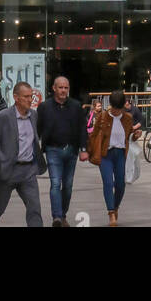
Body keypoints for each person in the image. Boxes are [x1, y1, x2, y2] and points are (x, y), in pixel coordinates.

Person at [0, 81, 47, 228]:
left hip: (28, 171)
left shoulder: (34, 115)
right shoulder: (3, 117)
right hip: (8, 171)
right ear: (16, 97)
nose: (30, 100)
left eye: (31, 96)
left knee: (34, 209)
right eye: (26, 96)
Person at [80, 88, 141, 227]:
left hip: (120, 154)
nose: (116, 112)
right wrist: (87, 151)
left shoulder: (127, 118)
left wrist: (135, 135)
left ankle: (116, 206)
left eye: (119, 109)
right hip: (105, 154)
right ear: (111, 105)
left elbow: (129, 135)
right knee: (108, 183)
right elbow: (94, 135)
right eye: (114, 109)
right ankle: (111, 212)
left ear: (123, 107)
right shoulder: (102, 117)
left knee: (120, 184)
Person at [37, 76, 88, 228]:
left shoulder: (76, 106)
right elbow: (37, 129)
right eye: (60, 87)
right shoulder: (44, 107)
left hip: (71, 150)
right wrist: (35, 150)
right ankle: (57, 217)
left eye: (66, 88)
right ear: (54, 88)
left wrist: (83, 149)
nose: (63, 90)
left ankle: (63, 214)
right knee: (55, 183)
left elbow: (82, 129)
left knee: (68, 185)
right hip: (53, 150)